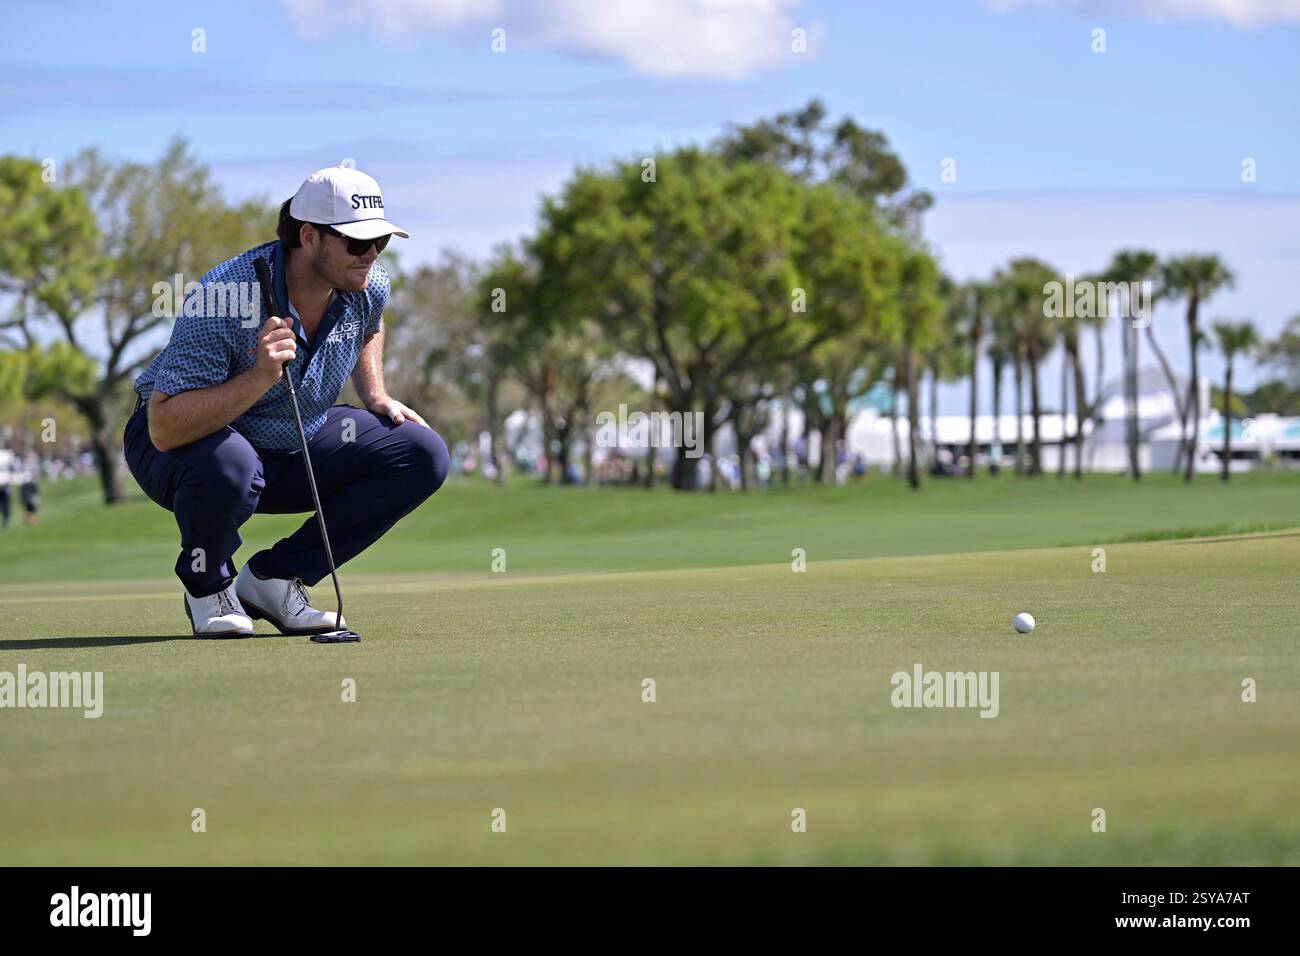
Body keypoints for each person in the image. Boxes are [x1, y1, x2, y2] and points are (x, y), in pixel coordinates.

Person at [124, 166, 449, 637]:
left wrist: (374, 392)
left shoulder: (368, 284)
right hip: (180, 450)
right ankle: (207, 583)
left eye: (381, 242)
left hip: (289, 441)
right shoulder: (223, 295)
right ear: (310, 237)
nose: (372, 255)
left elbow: (371, 326)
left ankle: (276, 578)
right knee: (232, 464)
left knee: (422, 453)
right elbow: (165, 426)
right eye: (358, 244)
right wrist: (259, 377)